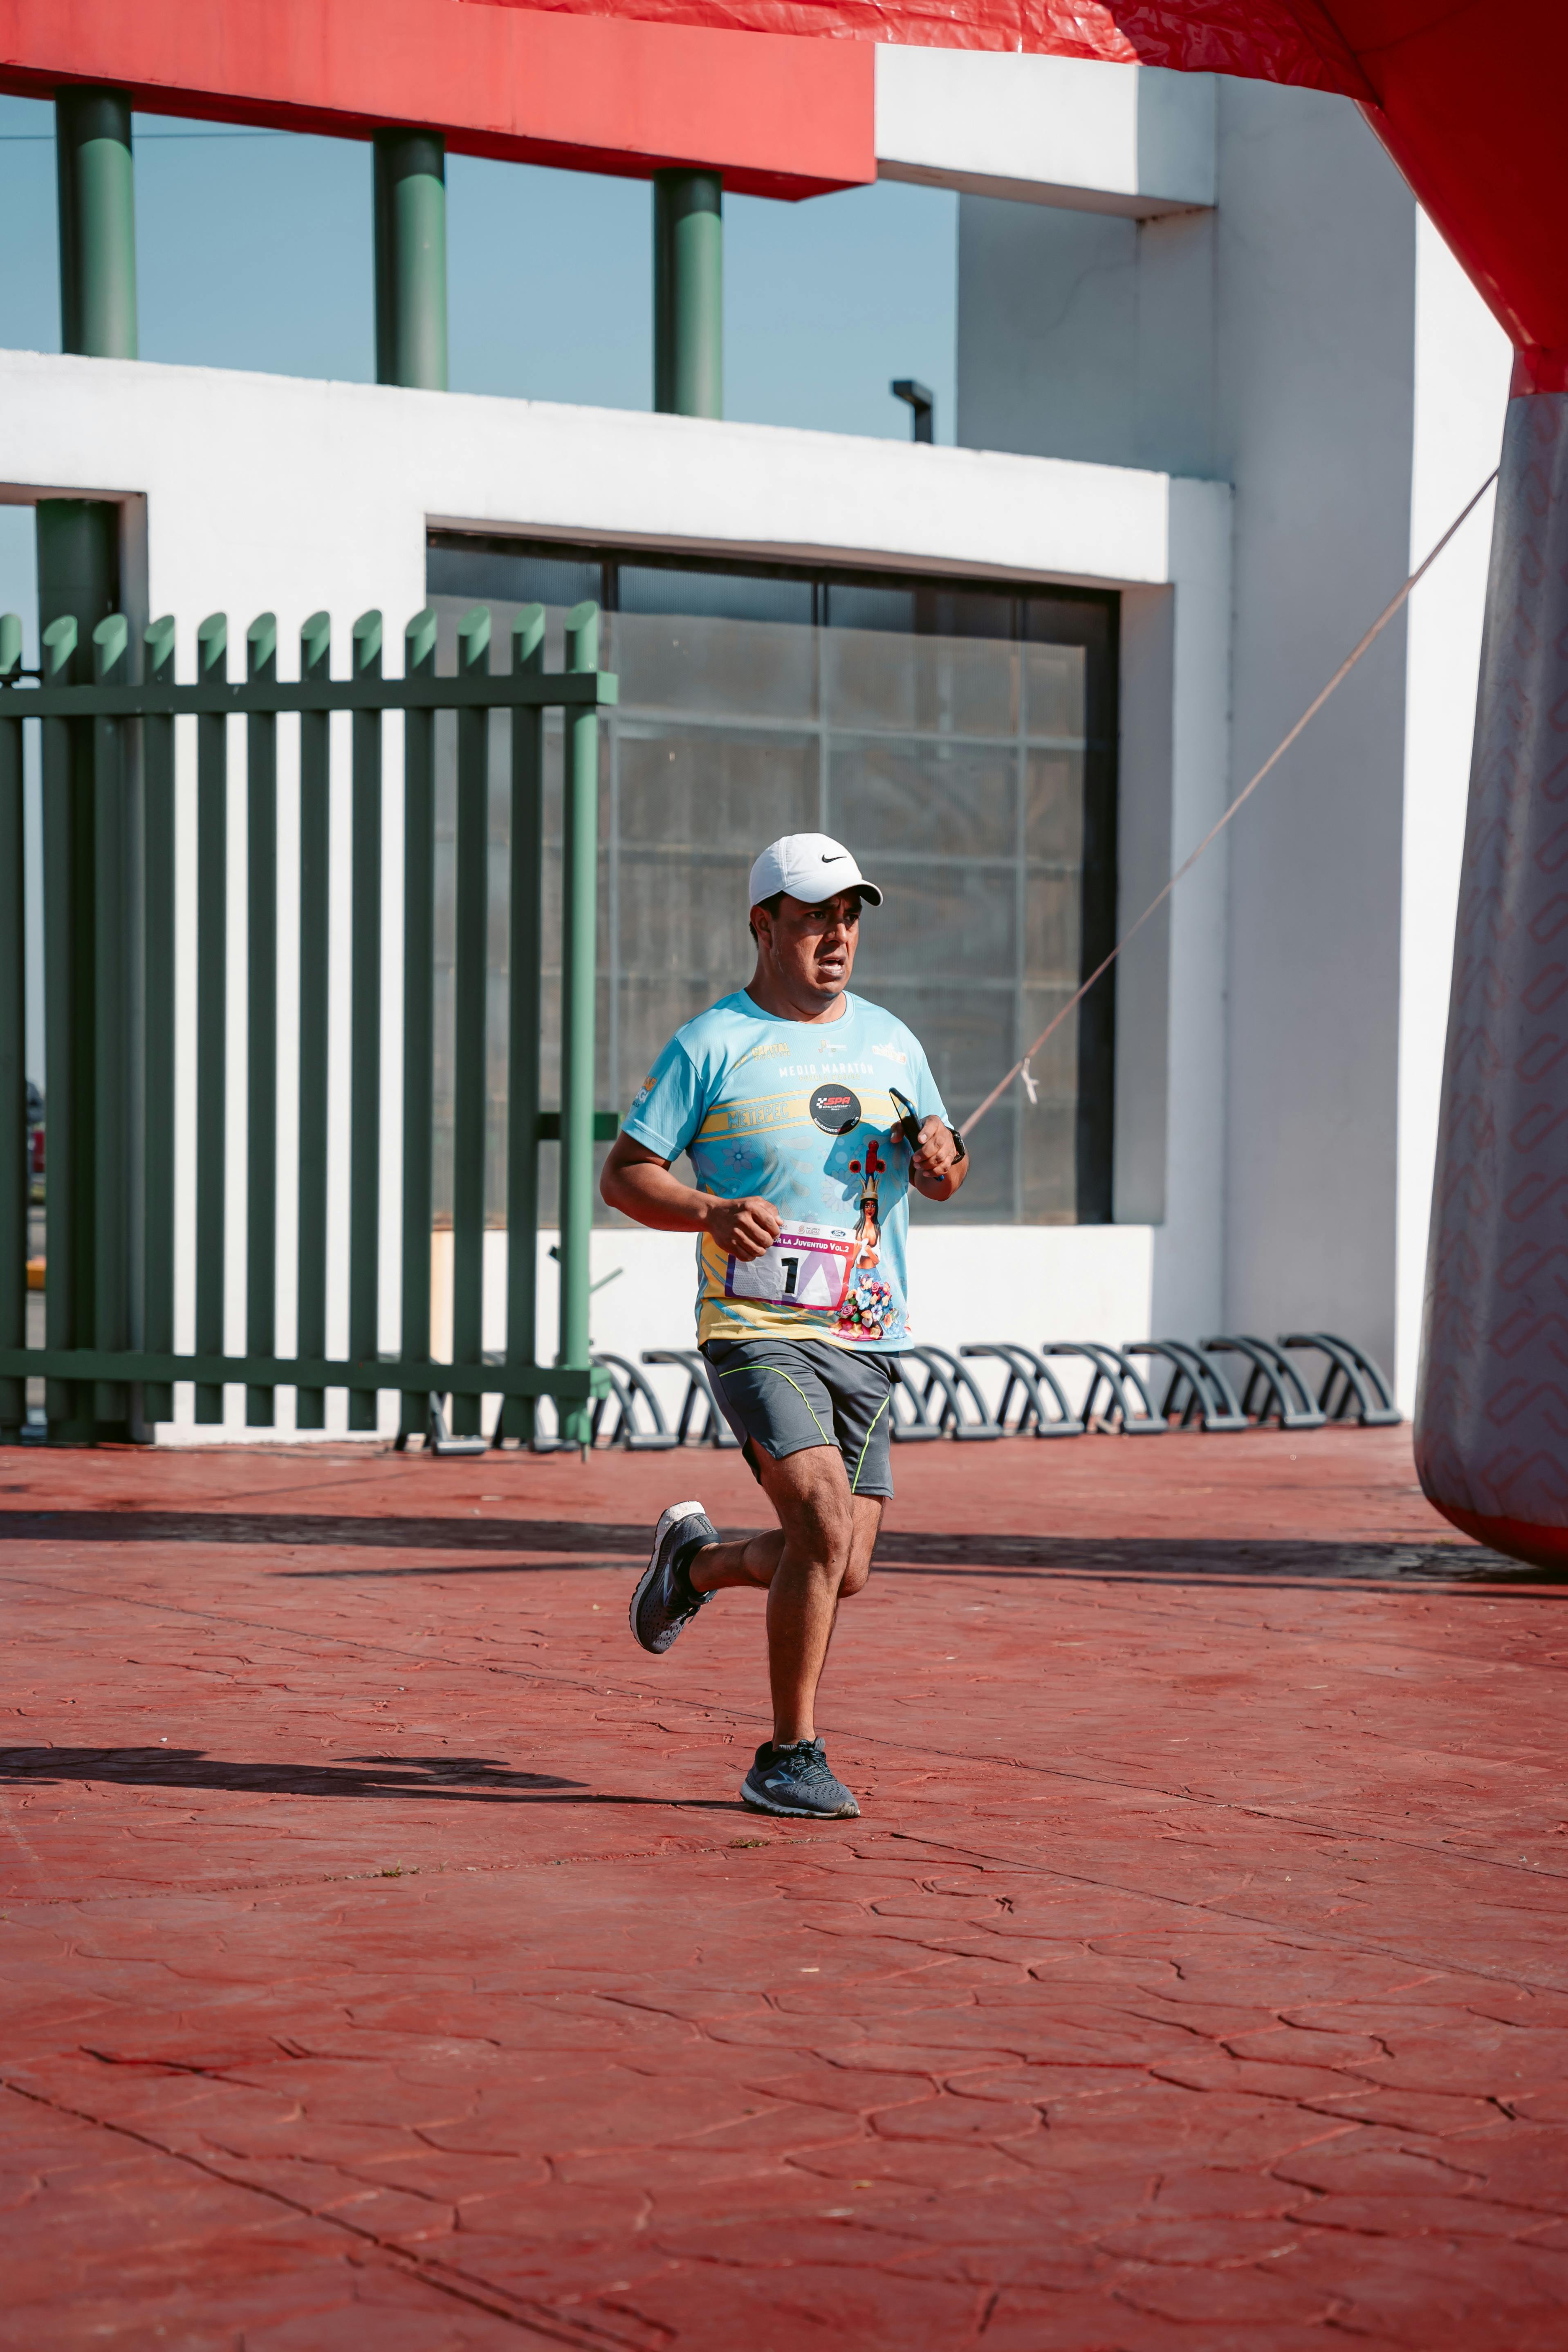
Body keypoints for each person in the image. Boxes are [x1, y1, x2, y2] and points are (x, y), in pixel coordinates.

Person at [600, 832, 969, 1819]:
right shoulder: (711, 1043)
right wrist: (708, 1212)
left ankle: (696, 1566)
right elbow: (623, 1175)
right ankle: (787, 1756)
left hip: (868, 1336)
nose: (836, 937)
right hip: (754, 1326)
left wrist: (942, 1157)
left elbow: (942, 1168)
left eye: (848, 918)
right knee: (819, 1521)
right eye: (813, 920)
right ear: (763, 926)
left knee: (842, 1566)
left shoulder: (892, 1042)